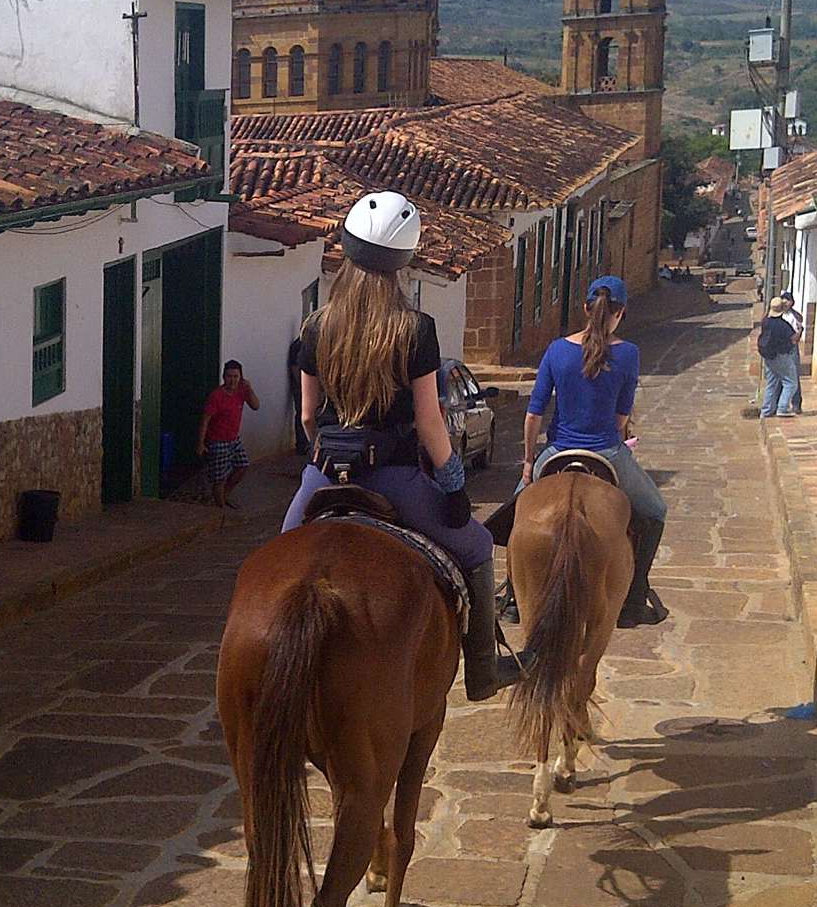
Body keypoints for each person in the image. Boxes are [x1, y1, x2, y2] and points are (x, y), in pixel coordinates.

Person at [283, 192, 523, 700]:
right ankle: (483, 672)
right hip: (394, 478)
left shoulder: (315, 327)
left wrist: (325, 459)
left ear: (346, 251)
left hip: (325, 475)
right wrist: (454, 484)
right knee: (478, 549)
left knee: (276, 563)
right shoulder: (415, 329)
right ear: (401, 264)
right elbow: (430, 423)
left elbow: (307, 416)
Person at [488, 275, 669, 628]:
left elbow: (533, 413)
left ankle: (512, 595)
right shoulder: (628, 354)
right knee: (656, 511)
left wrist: (528, 462)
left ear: (586, 308)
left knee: (516, 517)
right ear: (621, 313)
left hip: (556, 451)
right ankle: (633, 599)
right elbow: (621, 417)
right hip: (607, 452)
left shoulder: (557, 350)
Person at [198, 360, 259, 508]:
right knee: (219, 477)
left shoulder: (241, 392)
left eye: (236, 376)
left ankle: (224, 495)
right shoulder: (216, 396)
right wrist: (200, 443)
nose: (232, 380)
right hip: (217, 441)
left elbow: (256, 406)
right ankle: (220, 506)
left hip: (234, 439)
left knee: (242, 466)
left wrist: (249, 389)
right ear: (224, 377)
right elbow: (205, 419)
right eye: (229, 376)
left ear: (241, 377)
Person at [757, 295, 800, 419]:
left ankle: (766, 410)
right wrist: (800, 332)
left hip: (768, 356)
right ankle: (782, 408)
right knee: (791, 382)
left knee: (772, 382)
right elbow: (793, 339)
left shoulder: (766, 321)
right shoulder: (782, 325)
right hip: (781, 355)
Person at [780, 291, 805, 413]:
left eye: (787, 300)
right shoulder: (778, 315)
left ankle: (796, 403)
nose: (785, 303)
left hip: (792, 347)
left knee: (794, 375)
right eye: (783, 300)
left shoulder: (794, 315)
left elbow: (800, 325)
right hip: (780, 347)